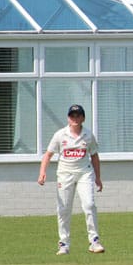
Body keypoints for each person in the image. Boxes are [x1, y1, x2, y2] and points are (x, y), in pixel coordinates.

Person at [38, 104, 105, 255]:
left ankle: (94, 241)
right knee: (64, 209)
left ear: (83, 118)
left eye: (78, 116)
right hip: (64, 174)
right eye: (72, 116)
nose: (75, 118)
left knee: (89, 205)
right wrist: (42, 173)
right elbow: (48, 155)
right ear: (68, 118)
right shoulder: (60, 135)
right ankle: (64, 244)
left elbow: (94, 156)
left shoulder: (88, 136)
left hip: (84, 173)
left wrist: (98, 178)